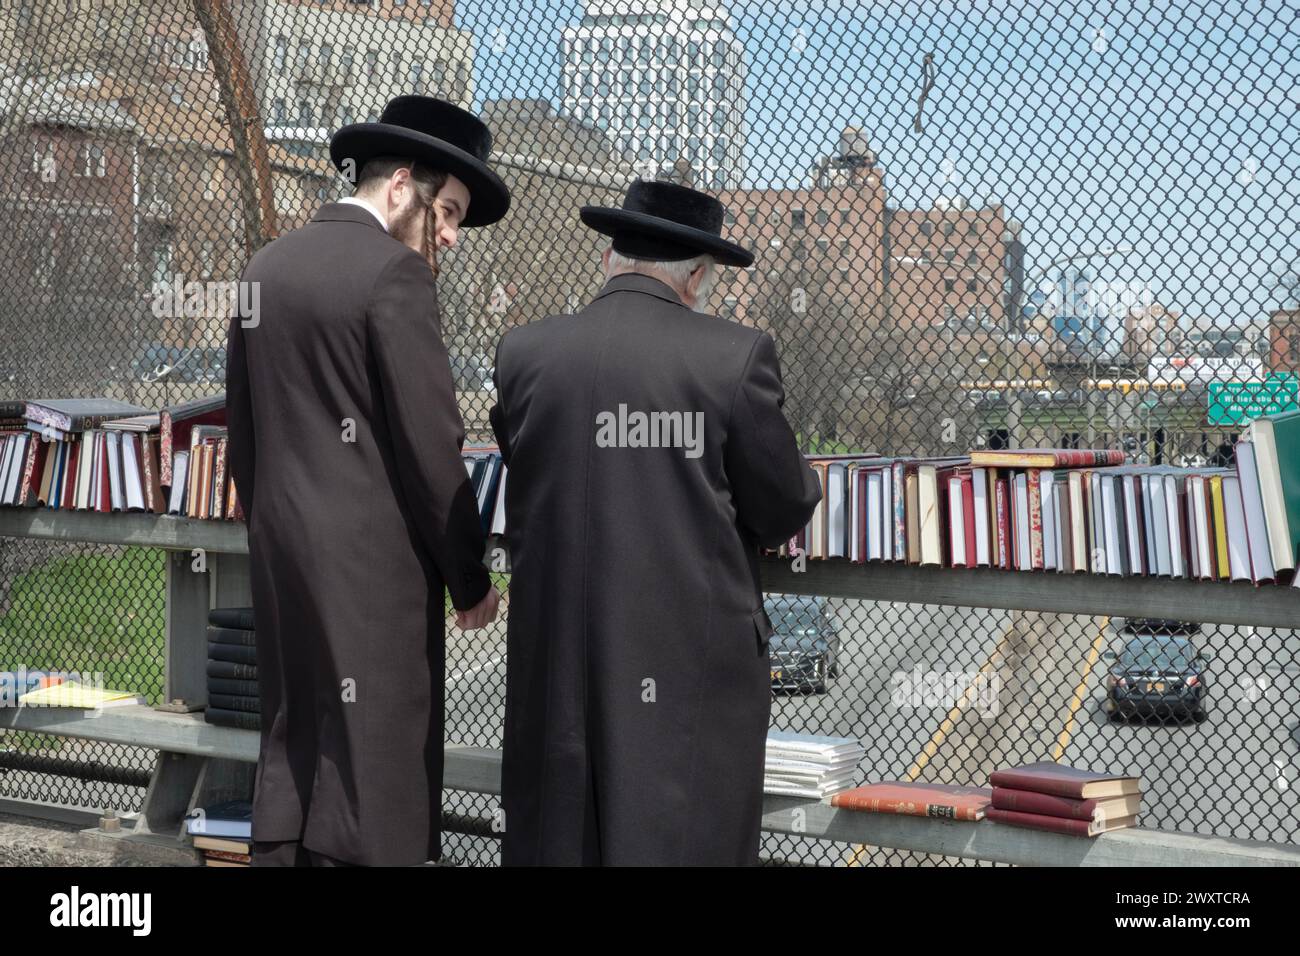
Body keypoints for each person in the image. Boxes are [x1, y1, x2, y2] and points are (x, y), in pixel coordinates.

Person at [489, 179, 822, 865]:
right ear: (696, 276)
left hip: (556, 676)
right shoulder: (734, 357)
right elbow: (785, 504)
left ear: (610, 256)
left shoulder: (523, 354)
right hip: (689, 685)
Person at [225, 95, 507, 866]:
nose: (448, 235)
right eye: (446, 211)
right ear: (401, 185)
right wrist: (468, 578)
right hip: (373, 579)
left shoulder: (264, 268)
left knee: (293, 747)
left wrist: (276, 528)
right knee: (373, 778)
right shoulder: (395, 278)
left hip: (283, 560)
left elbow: (244, 439)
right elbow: (432, 447)